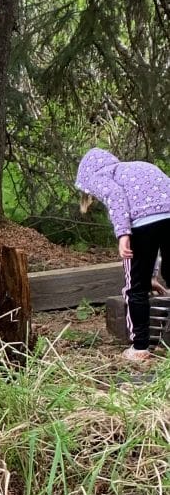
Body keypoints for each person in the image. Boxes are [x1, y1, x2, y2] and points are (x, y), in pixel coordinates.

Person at [75, 147, 170, 362]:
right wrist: (152, 275)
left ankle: (140, 347)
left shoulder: (99, 175)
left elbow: (116, 197)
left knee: (135, 287)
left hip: (142, 225)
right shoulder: (139, 167)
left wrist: (123, 233)